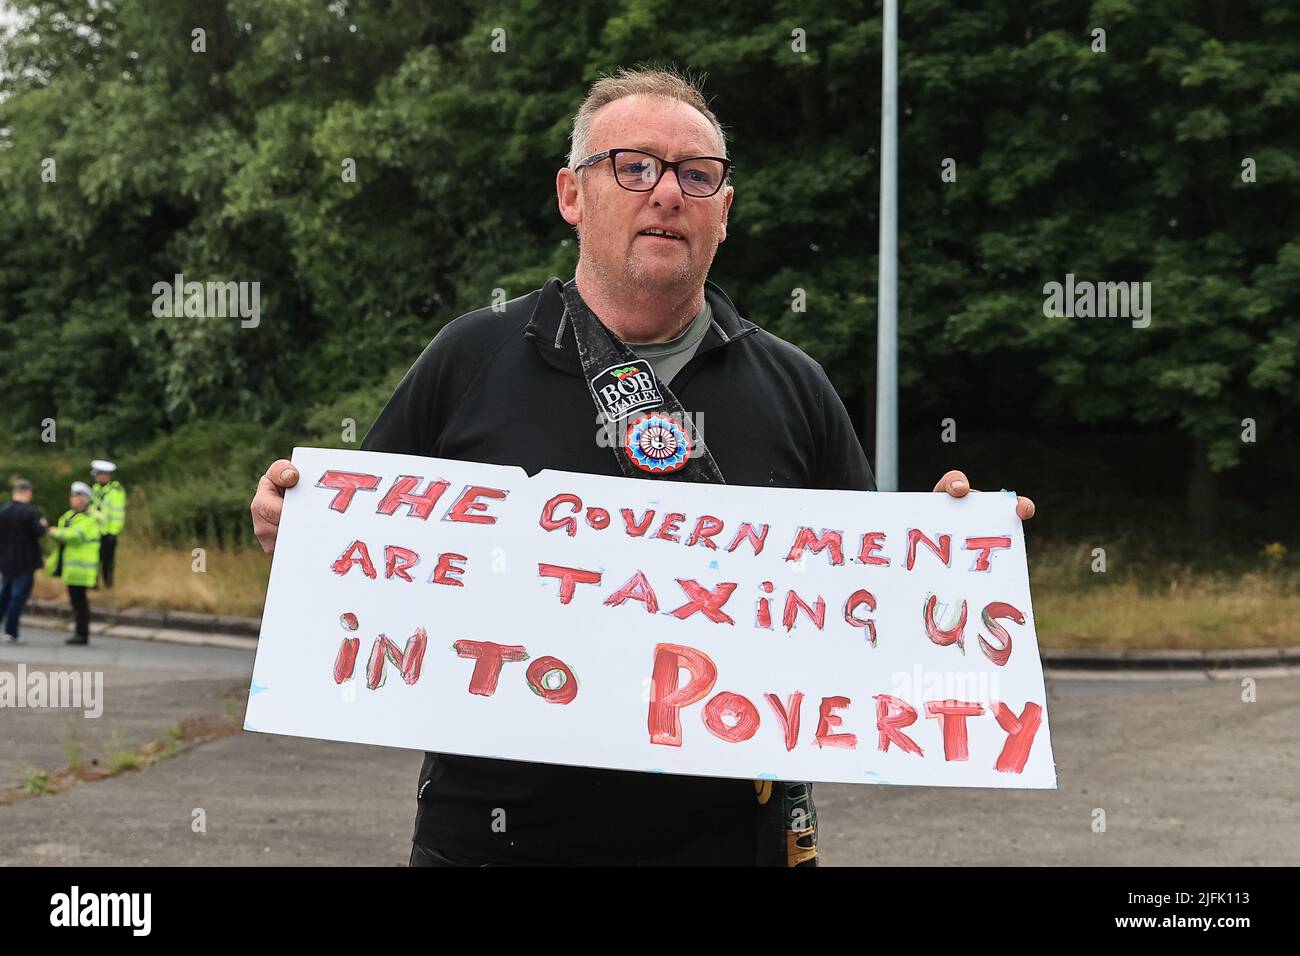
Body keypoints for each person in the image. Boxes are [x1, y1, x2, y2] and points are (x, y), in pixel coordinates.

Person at [250, 67, 1037, 867]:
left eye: (696, 175)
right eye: (633, 166)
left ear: (722, 213)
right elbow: (357, 558)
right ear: (571, 194)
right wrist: (294, 522)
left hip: (729, 845)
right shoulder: (472, 356)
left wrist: (948, 561)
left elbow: (864, 621)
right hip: (494, 843)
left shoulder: (795, 387)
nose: (666, 192)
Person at [46, 482, 101, 646]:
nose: (73, 499)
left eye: (77, 496)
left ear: (85, 500)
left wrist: (55, 531)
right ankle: (79, 632)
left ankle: (82, 634)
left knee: (80, 602)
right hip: (71, 568)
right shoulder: (69, 516)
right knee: (76, 601)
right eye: (72, 496)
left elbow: (74, 535)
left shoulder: (89, 519)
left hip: (82, 569)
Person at [0, 478, 47, 644]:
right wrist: (43, 525)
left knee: (4, 594)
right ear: (28, 493)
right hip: (25, 562)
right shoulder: (30, 512)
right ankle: (11, 631)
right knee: (17, 596)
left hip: (5, 560)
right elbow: (38, 532)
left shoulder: (3, 511)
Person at [89, 459, 126, 588]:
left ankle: (108, 586)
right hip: (96, 531)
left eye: (98, 475)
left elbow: (107, 516)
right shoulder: (96, 489)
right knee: (94, 560)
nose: (96, 478)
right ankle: (93, 584)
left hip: (109, 533)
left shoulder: (115, 491)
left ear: (106, 475)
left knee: (107, 562)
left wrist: (91, 512)